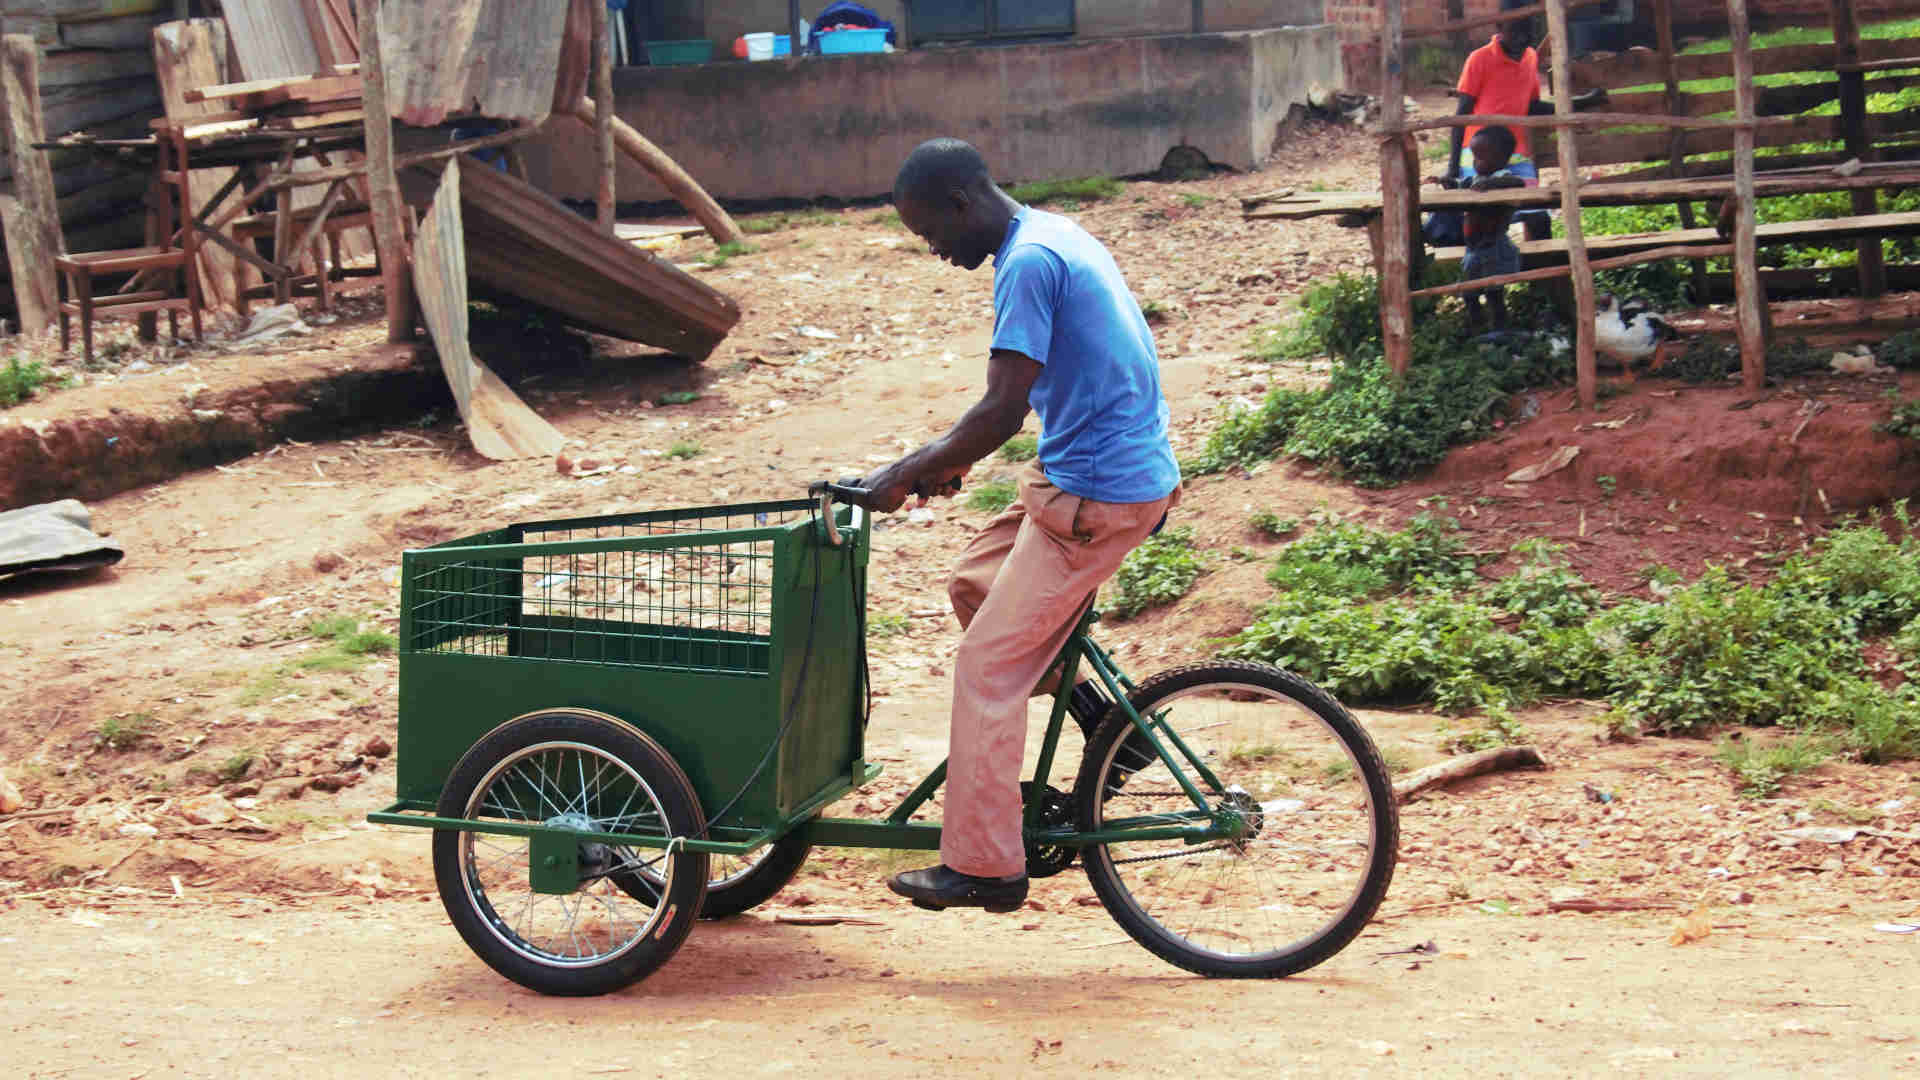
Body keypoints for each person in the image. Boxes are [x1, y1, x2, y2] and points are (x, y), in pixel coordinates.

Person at [856, 138, 1181, 913]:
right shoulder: (1049, 233)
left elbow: (1003, 407)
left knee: (986, 671)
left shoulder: (1029, 264)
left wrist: (907, 469)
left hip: (1096, 495)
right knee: (975, 581)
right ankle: (1108, 725)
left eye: (932, 232)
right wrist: (940, 462)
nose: (934, 251)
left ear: (963, 203)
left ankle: (986, 868)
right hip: (1095, 472)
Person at [1447, 0, 1605, 241]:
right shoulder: (1479, 59)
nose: (1522, 38)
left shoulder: (1530, 57)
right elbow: (1461, 116)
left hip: (1516, 154)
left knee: (1538, 216)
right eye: (1515, 31)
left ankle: (1542, 274)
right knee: (1481, 214)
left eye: (1527, 31)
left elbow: (1532, 107)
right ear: (1499, 27)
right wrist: (1453, 169)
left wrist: (1583, 102)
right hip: (1479, 154)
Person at [1451, 125, 1526, 333]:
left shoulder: (1504, 177)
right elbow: (1463, 187)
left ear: (1502, 158)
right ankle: (1478, 327)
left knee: (1494, 292)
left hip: (1492, 245)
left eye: (1481, 158)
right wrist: (1448, 183)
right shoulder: (1476, 179)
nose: (1476, 163)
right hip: (1474, 248)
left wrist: (1493, 184)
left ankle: (1500, 330)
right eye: (1474, 157)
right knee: (1469, 291)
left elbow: (1518, 183)